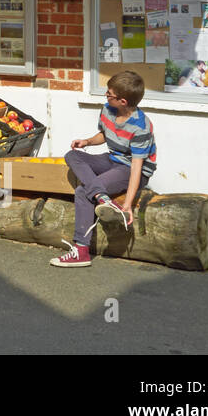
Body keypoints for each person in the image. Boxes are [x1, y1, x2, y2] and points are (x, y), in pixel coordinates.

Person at [51, 70, 157, 268]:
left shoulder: (141, 127)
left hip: (133, 170)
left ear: (123, 101)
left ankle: (81, 251)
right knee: (72, 155)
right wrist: (88, 141)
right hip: (112, 159)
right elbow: (104, 134)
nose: (106, 96)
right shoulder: (108, 109)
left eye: (110, 94)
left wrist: (127, 203)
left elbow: (136, 167)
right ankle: (102, 196)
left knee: (83, 191)